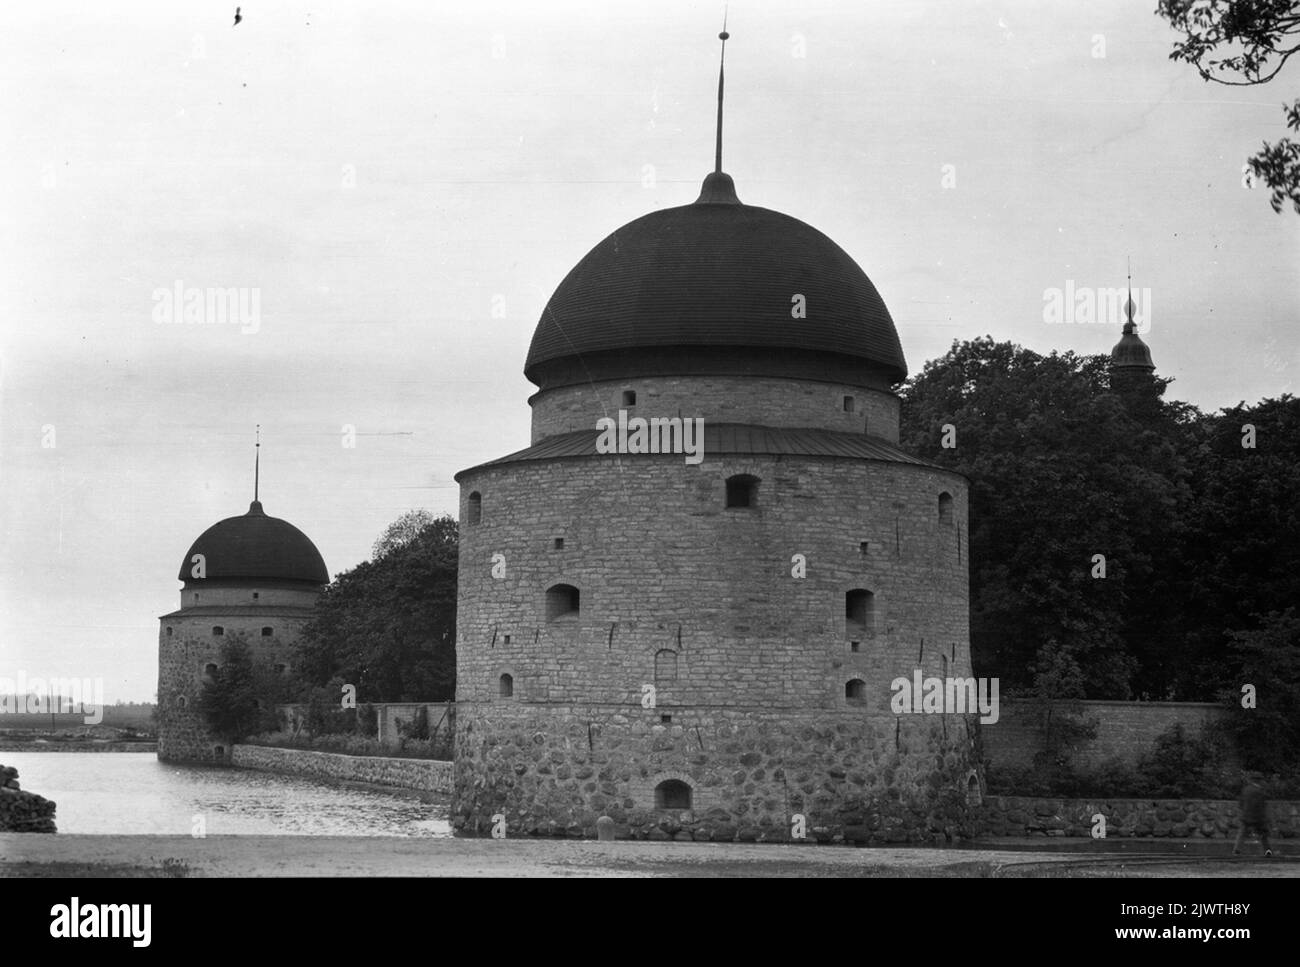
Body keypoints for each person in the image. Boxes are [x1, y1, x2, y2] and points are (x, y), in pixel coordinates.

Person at [1232, 775, 1272, 857]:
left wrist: (1242, 813)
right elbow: (1261, 805)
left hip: (1245, 816)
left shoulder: (1245, 790)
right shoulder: (1260, 791)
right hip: (1257, 817)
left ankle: (1237, 850)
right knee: (1263, 835)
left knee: (1242, 833)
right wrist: (1264, 818)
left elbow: (1241, 803)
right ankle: (1267, 851)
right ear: (1259, 781)